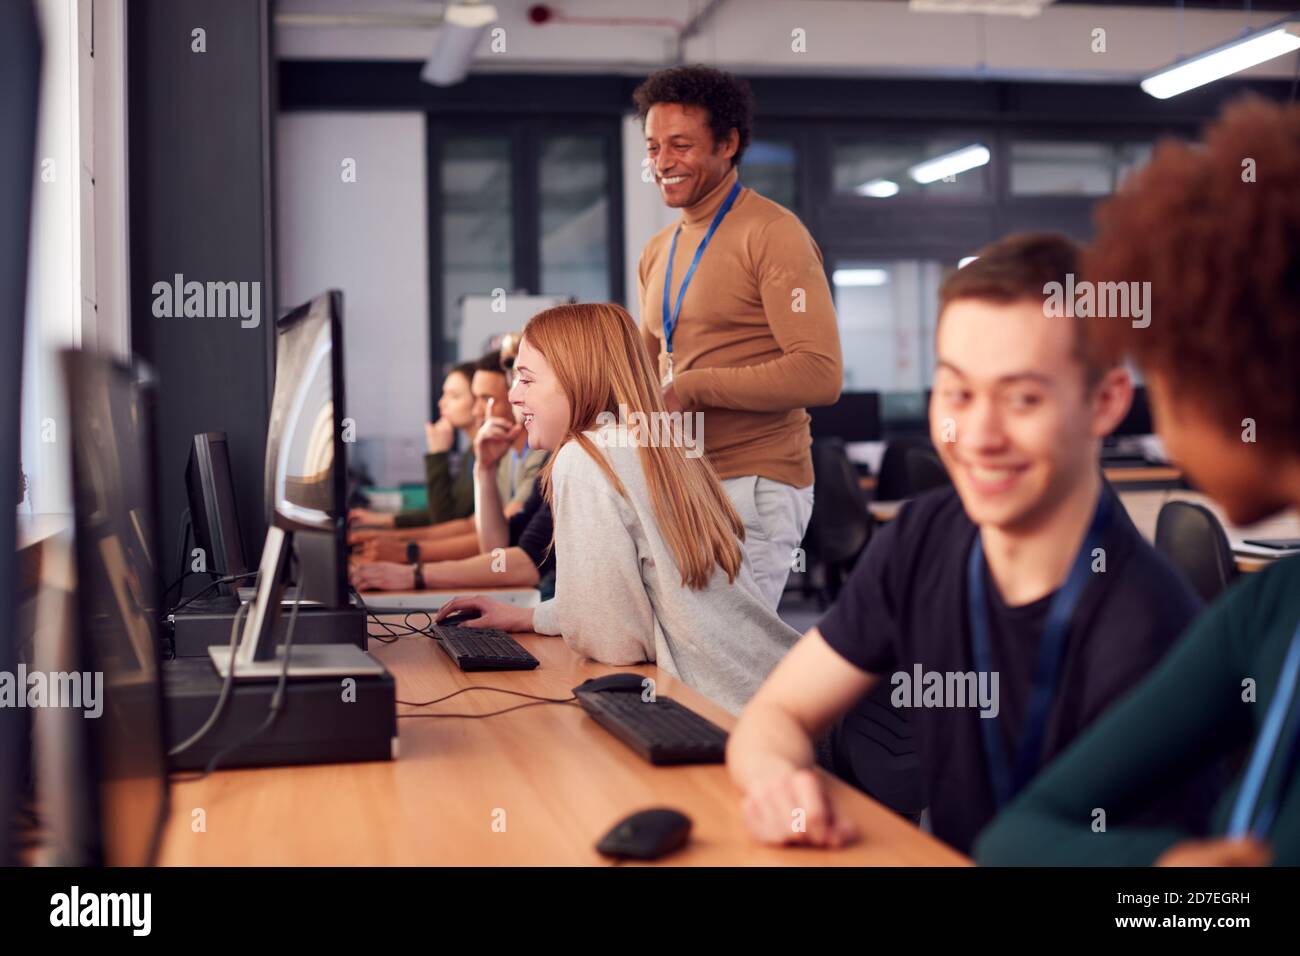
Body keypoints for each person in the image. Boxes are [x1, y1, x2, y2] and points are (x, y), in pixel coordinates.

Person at [724, 232, 1216, 854]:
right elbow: (775, 716)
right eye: (957, 392)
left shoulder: (1149, 630)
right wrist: (780, 783)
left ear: (1106, 401)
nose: (978, 435)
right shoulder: (923, 537)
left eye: (1023, 398)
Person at [976, 98, 1300, 867]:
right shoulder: (1269, 610)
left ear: (1227, 369)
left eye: (1158, 368)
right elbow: (1015, 838)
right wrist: (1167, 876)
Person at [435, 303, 801, 714]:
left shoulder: (586, 457)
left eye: (525, 379)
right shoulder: (662, 441)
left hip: (731, 717)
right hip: (781, 694)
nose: (513, 395)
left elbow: (615, 642)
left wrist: (585, 621)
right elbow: (641, 600)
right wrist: (530, 617)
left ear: (576, 380)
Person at [633, 65, 842, 609]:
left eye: (681, 145)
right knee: (680, 660)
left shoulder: (774, 234)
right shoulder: (658, 249)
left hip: (756, 480)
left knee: (731, 664)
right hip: (684, 480)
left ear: (728, 144)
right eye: (653, 147)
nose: (662, 162)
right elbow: (645, 366)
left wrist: (693, 387)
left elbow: (819, 373)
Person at [349, 361, 480, 530]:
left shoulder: (487, 454)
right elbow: (442, 511)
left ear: (480, 401)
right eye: (444, 394)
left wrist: (438, 454)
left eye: (454, 396)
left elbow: (443, 519)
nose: (442, 403)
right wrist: (385, 519)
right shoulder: (472, 451)